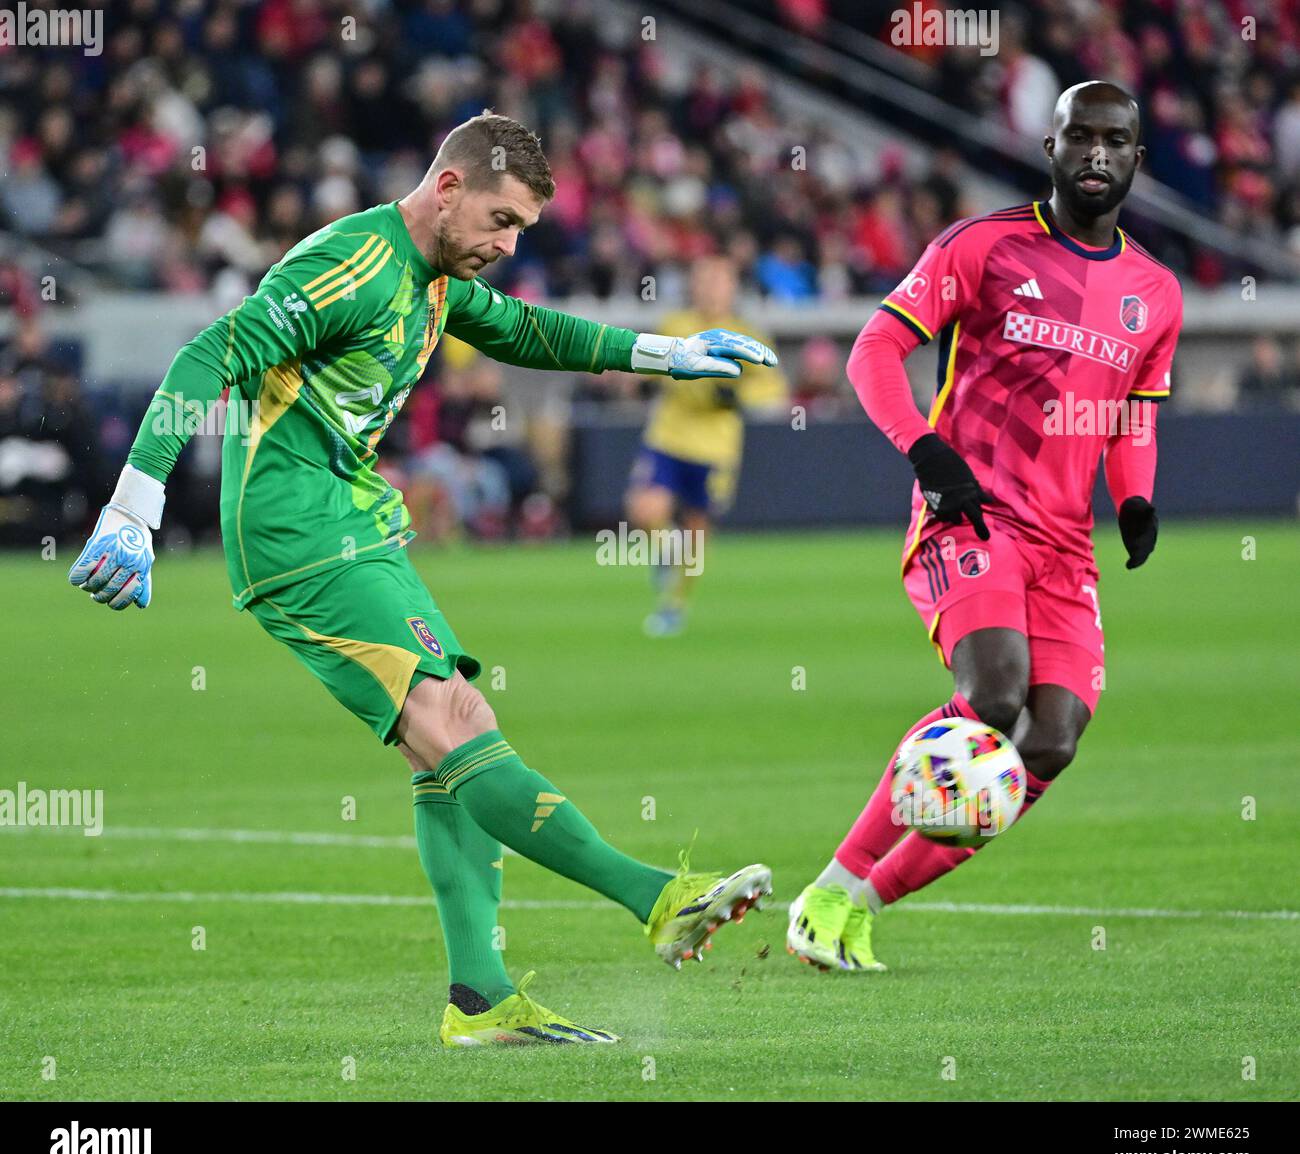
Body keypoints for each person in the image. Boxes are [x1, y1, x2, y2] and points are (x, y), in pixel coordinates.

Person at [69, 111, 777, 1046]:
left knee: (449, 744)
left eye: (521, 228)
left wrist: (665, 353)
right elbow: (212, 353)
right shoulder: (352, 267)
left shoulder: (437, 273)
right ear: (448, 188)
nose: (507, 245)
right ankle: (656, 899)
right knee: (453, 720)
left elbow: (526, 331)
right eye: (499, 220)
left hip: (349, 525)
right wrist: (135, 498)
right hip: (296, 533)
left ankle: (479, 1002)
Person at [787, 82, 1182, 972]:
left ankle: (858, 902)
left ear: (1135, 160)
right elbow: (873, 350)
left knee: (1052, 738)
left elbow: (1136, 413)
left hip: (1063, 543)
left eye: (1115, 140)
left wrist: (1134, 497)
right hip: (969, 513)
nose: (1096, 153)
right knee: (994, 693)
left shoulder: (1155, 291)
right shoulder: (984, 245)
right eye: (1079, 135)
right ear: (1049, 144)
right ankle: (828, 884)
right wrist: (926, 451)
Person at [625, 254, 787, 636]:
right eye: (704, 281)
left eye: (720, 281)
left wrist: (739, 396)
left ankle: (673, 606)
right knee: (644, 511)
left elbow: (772, 387)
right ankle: (666, 549)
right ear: (692, 287)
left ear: (732, 289)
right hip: (668, 434)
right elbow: (651, 364)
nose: (712, 289)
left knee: (698, 530)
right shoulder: (676, 326)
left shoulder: (746, 335)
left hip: (714, 446)